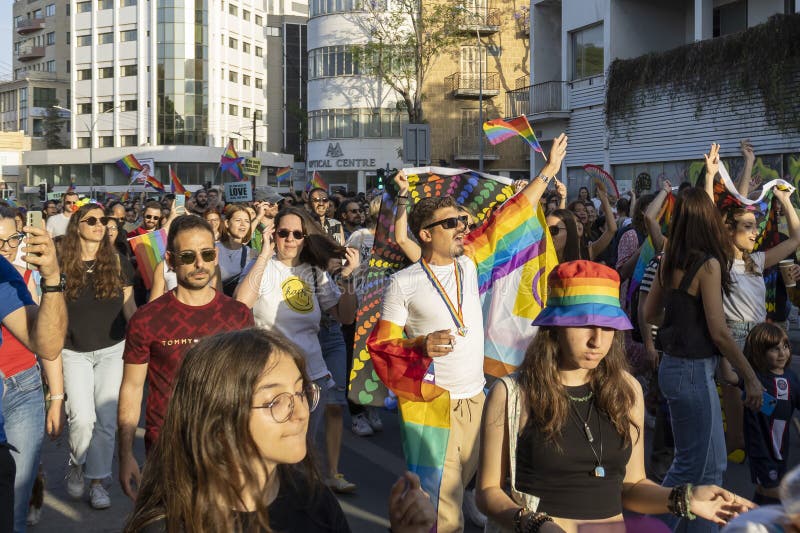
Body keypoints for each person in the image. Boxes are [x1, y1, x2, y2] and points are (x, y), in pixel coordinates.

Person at [368, 135, 568, 531]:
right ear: (425, 234)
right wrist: (419, 344)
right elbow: (383, 346)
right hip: (432, 409)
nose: (462, 227)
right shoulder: (403, 284)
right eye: (450, 224)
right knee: (443, 512)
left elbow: (512, 215)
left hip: (478, 399)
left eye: (461, 221)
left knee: (468, 489)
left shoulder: (469, 263)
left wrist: (547, 172)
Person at [476, 260, 755, 533]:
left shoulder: (627, 391)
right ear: (555, 327)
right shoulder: (513, 393)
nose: (597, 340)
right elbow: (488, 491)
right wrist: (535, 523)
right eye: (584, 324)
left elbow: (632, 486)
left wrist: (685, 499)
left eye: (608, 327)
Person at [122, 328, 435, 533]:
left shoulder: (312, 498)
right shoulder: (169, 525)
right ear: (218, 419)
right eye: (275, 401)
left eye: (300, 392)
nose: (300, 411)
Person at [645, 187, 764, 532]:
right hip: (692, 371)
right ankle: (657, 527)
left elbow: (651, 313)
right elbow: (719, 331)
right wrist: (750, 377)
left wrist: (681, 312)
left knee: (709, 467)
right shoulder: (708, 264)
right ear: (707, 221)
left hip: (677, 367)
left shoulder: (669, 258)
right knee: (694, 467)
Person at [117, 215, 254, 501]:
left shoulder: (238, 315)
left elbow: (250, 387)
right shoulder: (146, 320)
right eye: (188, 257)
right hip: (167, 449)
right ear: (170, 260)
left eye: (206, 254)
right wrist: (126, 453)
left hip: (226, 447)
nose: (199, 264)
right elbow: (131, 388)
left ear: (215, 256)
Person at [235, 207, 360, 492]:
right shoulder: (260, 265)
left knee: (301, 448)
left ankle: (296, 505)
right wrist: (265, 255)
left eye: (297, 234)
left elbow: (345, 316)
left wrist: (349, 277)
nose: (290, 239)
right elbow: (241, 303)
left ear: (305, 238)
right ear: (273, 235)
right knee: (269, 450)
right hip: (269, 377)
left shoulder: (315, 273)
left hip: (311, 378)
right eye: (283, 233)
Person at [58, 203, 137, 510]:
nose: (99, 224)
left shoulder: (118, 262)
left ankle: (97, 481)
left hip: (112, 349)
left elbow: (130, 308)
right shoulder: (62, 264)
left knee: (105, 420)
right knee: (81, 418)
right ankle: (76, 463)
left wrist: (144, 338)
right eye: (91, 220)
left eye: (104, 220)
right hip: (72, 351)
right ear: (77, 226)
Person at [0, 208, 65, 532]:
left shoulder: (10, 275)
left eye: (11, 238)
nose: (6, 247)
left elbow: (48, 343)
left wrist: (52, 278)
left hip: (22, 387)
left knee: (14, 505)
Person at [719, 323, 800, 505]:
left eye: (785, 347)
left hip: (781, 448)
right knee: (773, 490)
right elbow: (730, 377)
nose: (782, 353)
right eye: (774, 349)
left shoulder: (791, 377)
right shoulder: (754, 379)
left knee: (766, 492)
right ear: (759, 352)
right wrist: (724, 349)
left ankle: (757, 521)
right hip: (761, 447)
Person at [343, 197, 384, 436]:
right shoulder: (359, 236)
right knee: (356, 361)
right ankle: (357, 412)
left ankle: (371, 404)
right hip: (360, 305)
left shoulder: (394, 238)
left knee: (375, 362)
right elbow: (348, 266)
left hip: (383, 306)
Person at [216, 204, 254, 296]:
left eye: (247, 221)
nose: (243, 224)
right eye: (238, 220)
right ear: (227, 223)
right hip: (217, 304)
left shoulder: (253, 254)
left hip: (239, 306)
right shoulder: (213, 249)